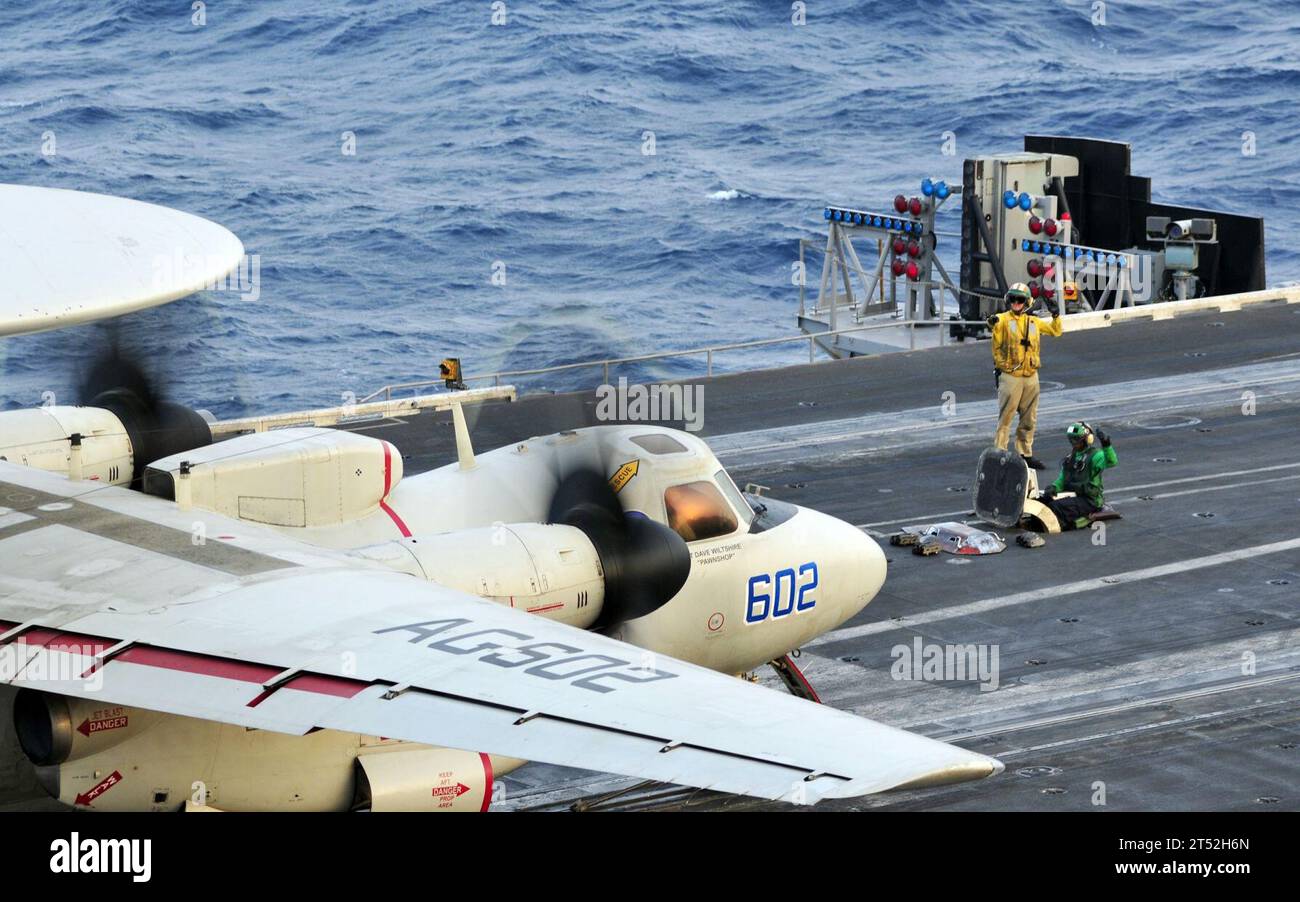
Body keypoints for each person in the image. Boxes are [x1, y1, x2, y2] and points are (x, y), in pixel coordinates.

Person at [987, 282, 1062, 469]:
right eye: (1013, 299)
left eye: (1020, 299)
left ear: (1027, 302)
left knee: (1029, 418)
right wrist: (992, 321)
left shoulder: (1034, 322)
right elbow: (993, 323)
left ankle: (1024, 453)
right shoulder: (1002, 320)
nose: (1016, 303)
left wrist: (1056, 315)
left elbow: (1056, 331)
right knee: (1006, 417)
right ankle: (999, 454)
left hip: (1031, 376)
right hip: (1010, 375)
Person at [1039, 422, 1118, 530]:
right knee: (1042, 501)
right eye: (1071, 440)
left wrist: (1106, 445)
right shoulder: (1071, 458)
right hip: (1074, 495)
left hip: (1089, 499)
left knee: (1056, 507)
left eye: (1076, 440)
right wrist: (1054, 487)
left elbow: (1111, 462)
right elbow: (1063, 479)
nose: (1073, 443)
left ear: (1088, 439)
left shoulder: (1096, 456)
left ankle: (1075, 522)